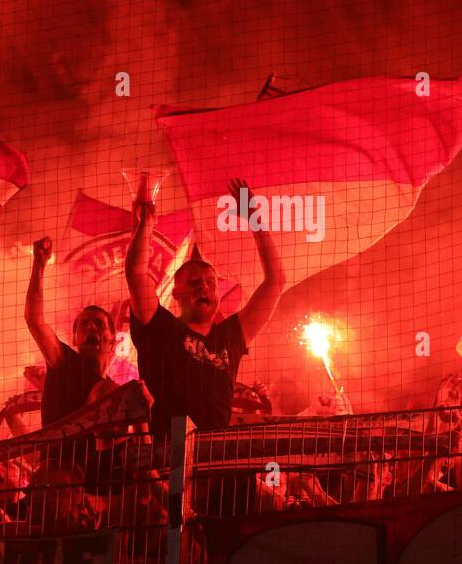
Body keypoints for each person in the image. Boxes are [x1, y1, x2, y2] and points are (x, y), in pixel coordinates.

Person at [126, 179, 285, 436]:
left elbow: (276, 281)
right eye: (195, 282)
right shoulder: (160, 328)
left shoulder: (230, 337)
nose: (204, 287)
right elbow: (135, 273)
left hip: (215, 458)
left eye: (211, 282)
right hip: (170, 453)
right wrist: (147, 225)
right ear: (176, 293)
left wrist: (255, 219)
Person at [25, 236, 119, 425]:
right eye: (84, 324)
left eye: (99, 324)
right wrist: (39, 264)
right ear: (75, 339)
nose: (91, 327)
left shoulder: (111, 390)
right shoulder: (63, 362)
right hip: (58, 456)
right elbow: (34, 320)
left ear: (112, 340)